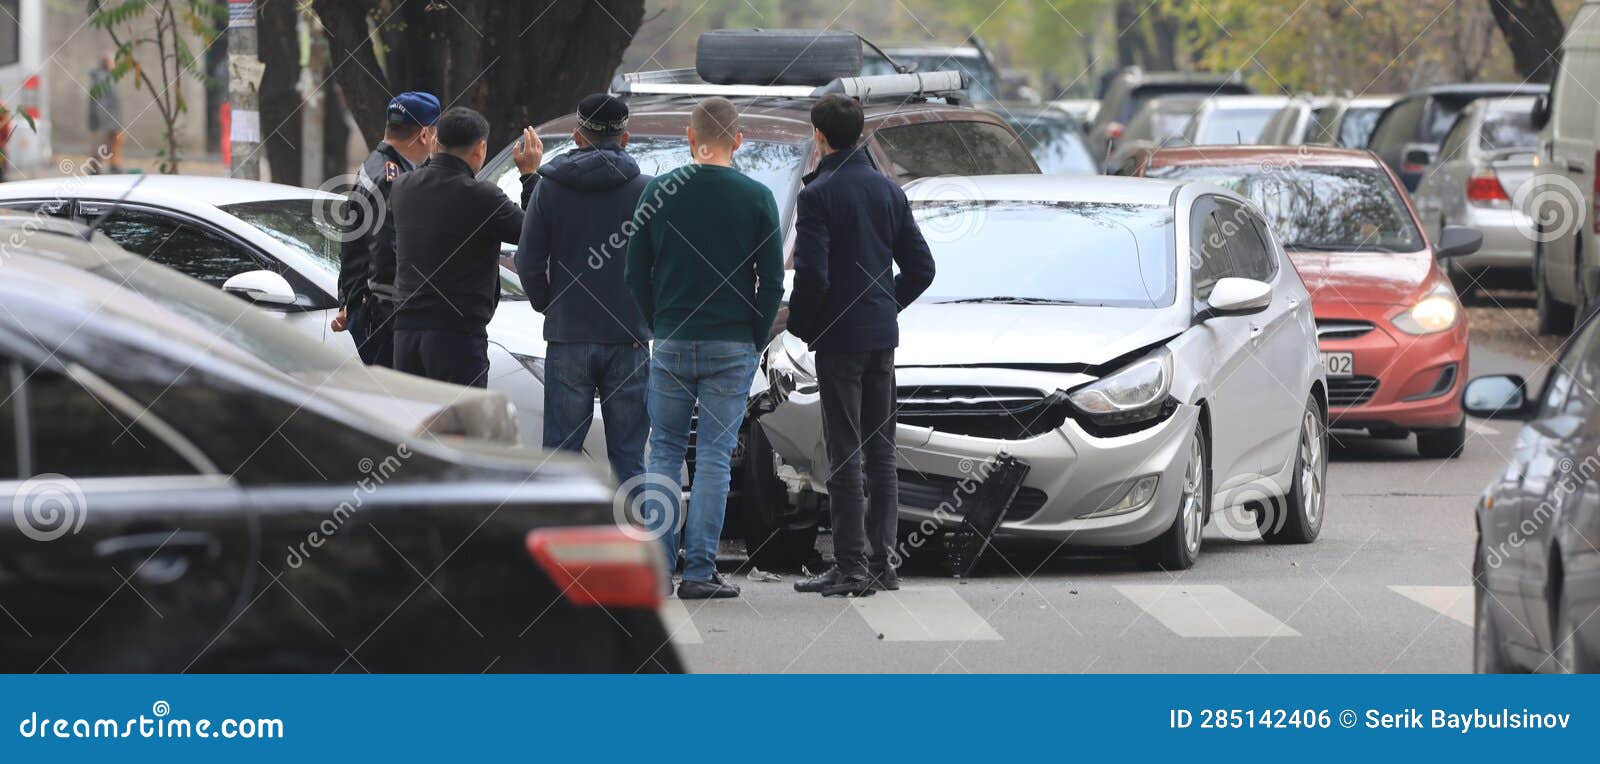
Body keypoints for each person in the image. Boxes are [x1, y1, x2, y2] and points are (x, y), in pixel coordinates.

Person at [626, 97, 783, 600]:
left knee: (664, 453)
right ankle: (699, 573)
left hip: (672, 340)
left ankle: (655, 568)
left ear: (690, 139)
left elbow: (634, 272)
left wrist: (658, 322)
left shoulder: (658, 192)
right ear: (738, 140)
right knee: (715, 456)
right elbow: (773, 281)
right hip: (732, 342)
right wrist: (755, 334)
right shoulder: (757, 197)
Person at [788, 94, 935, 597]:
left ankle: (850, 567)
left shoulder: (818, 195)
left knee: (845, 451)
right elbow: (922, 268)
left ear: (819, 136)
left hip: (839, 339)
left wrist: (804, 326)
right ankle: (882, 563)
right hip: (880, 338)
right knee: (881, 452)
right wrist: (883, 304)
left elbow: (812, 276)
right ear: (861, 133)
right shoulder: (887, 191)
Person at [516, 94, 652, 483]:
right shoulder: (647, 191)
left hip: (569, 335)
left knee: (560, 457)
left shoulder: (549, 189)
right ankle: (638, 542)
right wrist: (647, 312)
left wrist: (548, 303)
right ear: (625, 139)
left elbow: (527, 261)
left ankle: (556, 541)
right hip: (629, 336)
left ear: (577, 137)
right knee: (630, 459)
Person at [390, 107, 541, 387]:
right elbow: (535, 232)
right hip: (456, 336)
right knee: (460, 427)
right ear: (480, 148)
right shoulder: (483, 197)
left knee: (410, 426)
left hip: (405, 333)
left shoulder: (402, 187)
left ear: (435, 142)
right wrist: (529, 175)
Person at [332, 91, 440, 368]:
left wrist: (347, 299)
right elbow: (386, 255)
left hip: (368, 309)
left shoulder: (377, 164)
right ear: (425, 135)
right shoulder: (392, 179)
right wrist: (394, 323)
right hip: (383, 319)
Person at [88, 53, 124, 174]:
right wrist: (105, 123)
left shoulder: (108, 77)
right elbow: (100, 102)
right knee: (102, 144)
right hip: (104, 121)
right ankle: (96, 168)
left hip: (110, 119)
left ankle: (113, 165)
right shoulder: (102, 78)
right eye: (113, 62)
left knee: (114, 142)